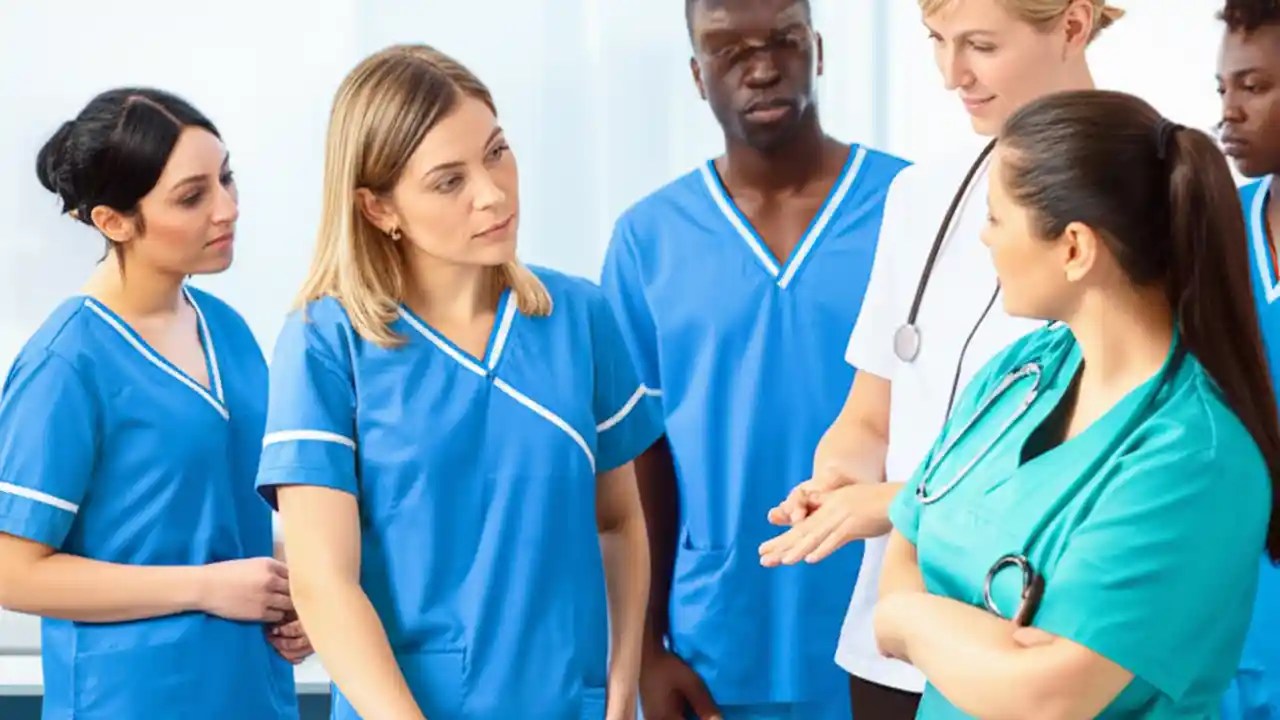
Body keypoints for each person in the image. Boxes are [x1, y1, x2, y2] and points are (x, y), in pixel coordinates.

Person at [257, 44, 658, 720]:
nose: (493, 192)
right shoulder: (327, 343)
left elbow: (618, 523)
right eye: (449, 180)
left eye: (497, 152)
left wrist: (621, 687)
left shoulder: (580, 319)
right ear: (378, 207)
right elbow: (325, 584)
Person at [758, 1, 1121, 715]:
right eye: (937, 41)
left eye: (980, 44)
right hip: (894, 644)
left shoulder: (1144, 195)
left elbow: (1101, 465)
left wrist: (893, 504)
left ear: (1073, 25)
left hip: (1032, 644)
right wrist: (838, 482)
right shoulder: (921, 196)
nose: (953, 73)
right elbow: (871, 416)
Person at [872, 88, 1280, 718]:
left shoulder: (1195, 457)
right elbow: (907, 544)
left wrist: (906, 621)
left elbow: (1048, 699)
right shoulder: (1017, 374)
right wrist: (974, 643)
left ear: (1073, 248)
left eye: (996, 219)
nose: (984, 239)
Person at [600, 1, 909, 718]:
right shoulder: (649, 240)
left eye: (784, 41)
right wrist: (646, 650)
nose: (763, 67)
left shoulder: (912, 208)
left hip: (893, 630)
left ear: (820, 50)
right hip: (718, 646)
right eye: (730, 50)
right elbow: (634, 461)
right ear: (696, 73)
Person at [0, 88, 306, 719]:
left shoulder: (230, 333)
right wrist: (205, 588)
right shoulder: (68, 363)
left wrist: (293, 588)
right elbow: (12, 570)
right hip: (133, 700)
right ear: (113, 221)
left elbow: (208, 514)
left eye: (226, 179)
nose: (227, 209)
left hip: (251, 694)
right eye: (192, 196)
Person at [1217, 2, 1280, 716]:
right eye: (1223, 90)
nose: (1229, 112)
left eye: (1254, 88)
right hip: (1226, 604)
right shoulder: (1209, 232)